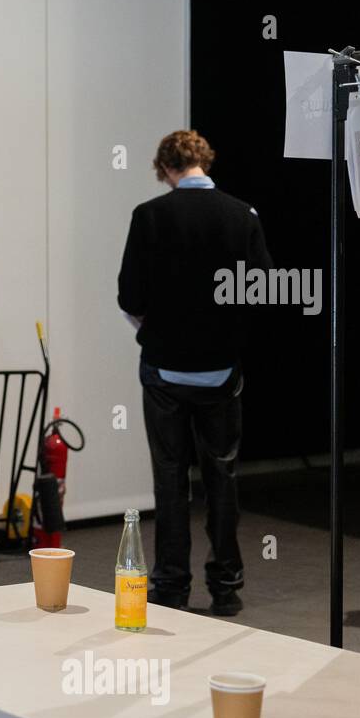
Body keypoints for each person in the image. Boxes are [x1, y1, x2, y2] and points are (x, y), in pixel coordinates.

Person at [117, 130, 273, 617]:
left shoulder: (149, 216)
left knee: (170, 480)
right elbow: (263, 288)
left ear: (164, 169)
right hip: (221, 369)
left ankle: (170, 586)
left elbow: (129, 296)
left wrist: (157, 323)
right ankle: (226, 586)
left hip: (164, 370)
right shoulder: (241, 214)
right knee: (222, 477)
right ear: (204, 161)